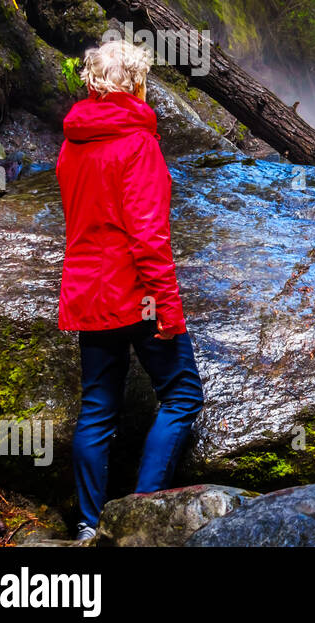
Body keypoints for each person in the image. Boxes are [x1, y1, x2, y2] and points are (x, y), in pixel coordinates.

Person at [56, 40, 204, 541]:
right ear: (136, 84)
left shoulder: (73, 139)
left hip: (86, 289)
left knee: (97, 408)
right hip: (134, 292)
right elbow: (147, 235)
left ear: (94, 84)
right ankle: (140, 513)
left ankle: (87, 526)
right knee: (182, 394)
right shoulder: (138, 143)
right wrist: (168, 306)